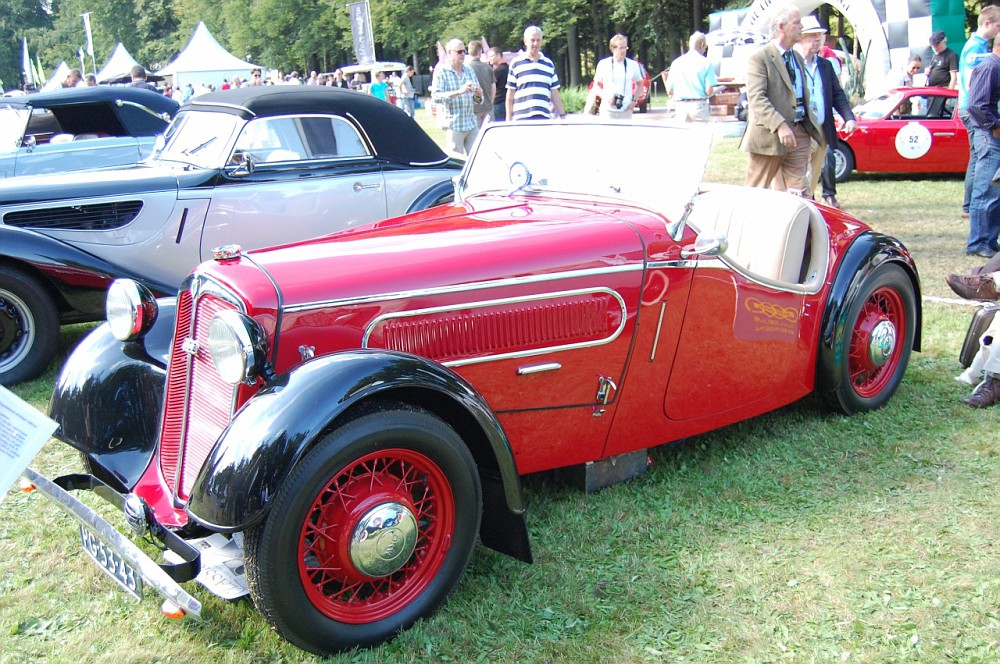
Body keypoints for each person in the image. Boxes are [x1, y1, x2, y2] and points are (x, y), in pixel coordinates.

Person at [739, 4, 821, 194]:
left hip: (800, 132)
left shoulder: (798, 59)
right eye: (797, 23)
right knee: (755, 192)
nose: (802, 27)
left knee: (799, 193)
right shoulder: (760, 58)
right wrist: (780, 125)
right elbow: (757, 99)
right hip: (769, 136)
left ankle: (799, 224)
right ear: (781, 27)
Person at [795, 15, 856, 207]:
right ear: (801, 38)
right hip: (802, 129)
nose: (817, 40)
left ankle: (813, 205)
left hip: (822, 128)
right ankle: (804, 207)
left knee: (815, 173)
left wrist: (849, 117)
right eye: (812, 36)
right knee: (801, 174)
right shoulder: (792, 64)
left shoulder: (825, 65)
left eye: (819, 36)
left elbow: (837, 94)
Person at [958, 6, 1000, 219]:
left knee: (977, 158)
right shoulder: (977, 49)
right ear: (987, 23)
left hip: (969, 106)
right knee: (983, 160)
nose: (998, 31)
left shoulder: (978, 46)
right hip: (974, 108)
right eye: (998, 26)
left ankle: (969, 207)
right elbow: (976, 83)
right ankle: (971, 208)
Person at [965, 35, 1000, 258]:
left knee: (995, 192)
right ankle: (978, 242)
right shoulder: (989, 67)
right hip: (989, 136)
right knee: (985, 191)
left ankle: (989, 239)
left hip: (993, 135)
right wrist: (994, 126)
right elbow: (976, 104)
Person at [432, 38, 482, 155]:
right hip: (453, 125)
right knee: (457, 163)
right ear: (449, 53)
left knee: (477, 158)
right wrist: (459, 92)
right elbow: (436, 97)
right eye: (459, 52)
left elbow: (478, 100)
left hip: (471, 123)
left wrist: (479, 94)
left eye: (464, 51)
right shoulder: (441, 71)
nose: (463, 54)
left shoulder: (469, 70)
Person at [506, 25, 566, 121]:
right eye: (532, 40)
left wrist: (562, 115)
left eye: (538, 40)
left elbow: (554, 92)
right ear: (525, 41)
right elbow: (510, 94)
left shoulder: (548, 64)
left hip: (543, 117)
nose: (535, 43)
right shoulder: (516, 63)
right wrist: (508, 119)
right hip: (521, 118)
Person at [664, 31, 718, 122]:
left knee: (683, 136)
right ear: (702, 45)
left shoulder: (676, 63)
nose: (705, 49)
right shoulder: (706, 63)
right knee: (701, 135)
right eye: (705, 47)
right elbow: (709, 91)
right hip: (699, 105)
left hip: (680, 106)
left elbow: (669, 90)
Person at [589, 34, 646, 120]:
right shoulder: (603, 64)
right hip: (607, 110)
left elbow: (640, 84)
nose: (623, 51)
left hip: (626, 110)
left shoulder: (633, 65)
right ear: (612, 48)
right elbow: (596, 86)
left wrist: (634, 101)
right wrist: (606, 97)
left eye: (625, 47)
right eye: (620, 48)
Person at [466, 40, 496, 128]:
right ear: (480, 52)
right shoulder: (488, 67)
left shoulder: (466, 68)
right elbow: (493, 87)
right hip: (487, 107)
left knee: (475, 137)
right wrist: (490, 102)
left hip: (473, 109)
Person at [488, 47, 509, 121]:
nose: (489, 58)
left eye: (491, 56)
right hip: (508, 103)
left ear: (499, 56)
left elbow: (489, 88)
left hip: (498, 103)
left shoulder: (497, 71)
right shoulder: (509, 69)